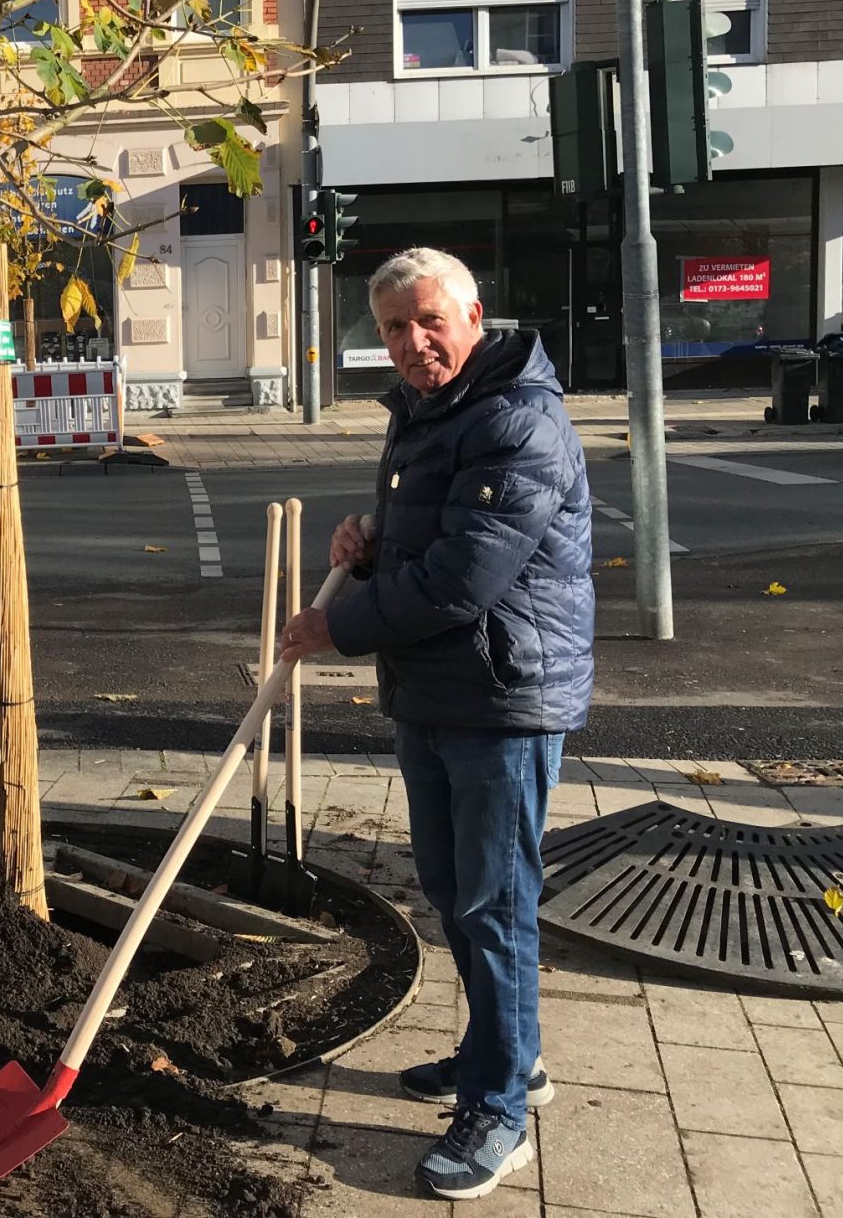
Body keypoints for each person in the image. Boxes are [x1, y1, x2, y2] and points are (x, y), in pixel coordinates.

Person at [279, 247, 593, 1203]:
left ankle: (501, 1106)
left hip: (503, 697)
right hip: (435, 691)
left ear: (473, 315)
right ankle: (507, 1052)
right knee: (456, 891)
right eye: (392, 330)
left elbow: (465, 580)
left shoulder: (519, 420)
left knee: (493, 905)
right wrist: (366, 550)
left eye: (429, 322)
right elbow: (429, 545)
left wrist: (338, 624)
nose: (413, 344)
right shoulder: (426, 413)